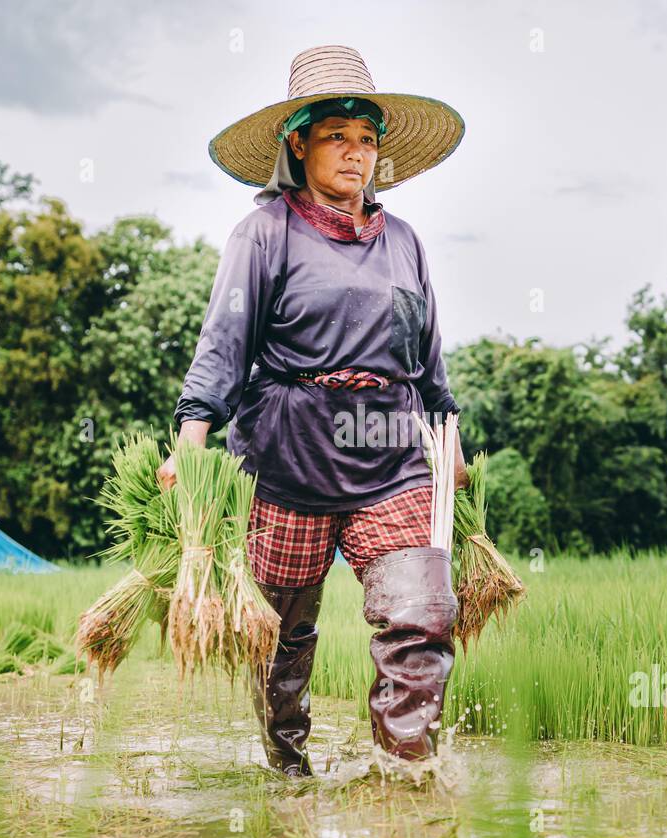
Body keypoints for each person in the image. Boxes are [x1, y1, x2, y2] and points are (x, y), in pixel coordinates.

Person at [159, 45, 468, 776]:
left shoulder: (404, 242)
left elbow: (426, 351)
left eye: (367, 140)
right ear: (297, 143)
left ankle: (405, 770)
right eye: (337, 137)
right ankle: (288, 764)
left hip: (391, 456)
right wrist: (192, 435)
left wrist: (448, 432)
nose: (356, 154)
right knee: (284, 632)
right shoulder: (264, 234)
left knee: (422, 614)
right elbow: (225, 341)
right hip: (287, 457)